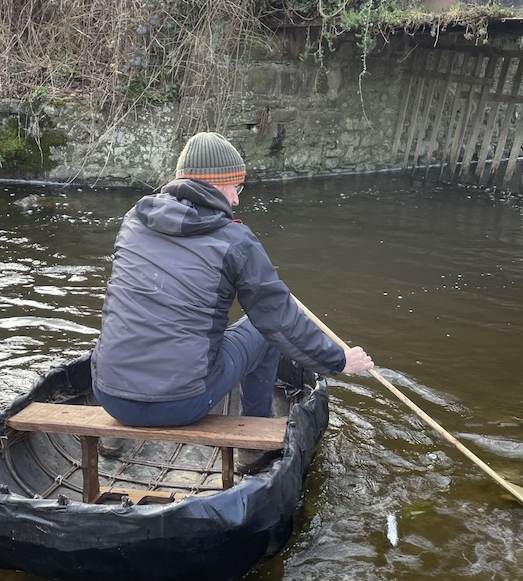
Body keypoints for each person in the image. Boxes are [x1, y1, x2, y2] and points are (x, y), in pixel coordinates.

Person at [91, 132, 373, 473]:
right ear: (215, 185)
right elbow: (279, 322)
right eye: (235, 187)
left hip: (108, 394)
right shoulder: (235, 240)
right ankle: (251, 447)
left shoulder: (133, 222)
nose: (237, 200)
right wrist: (339, 360)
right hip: (182, 403)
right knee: (261, 330)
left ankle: (112, 439)